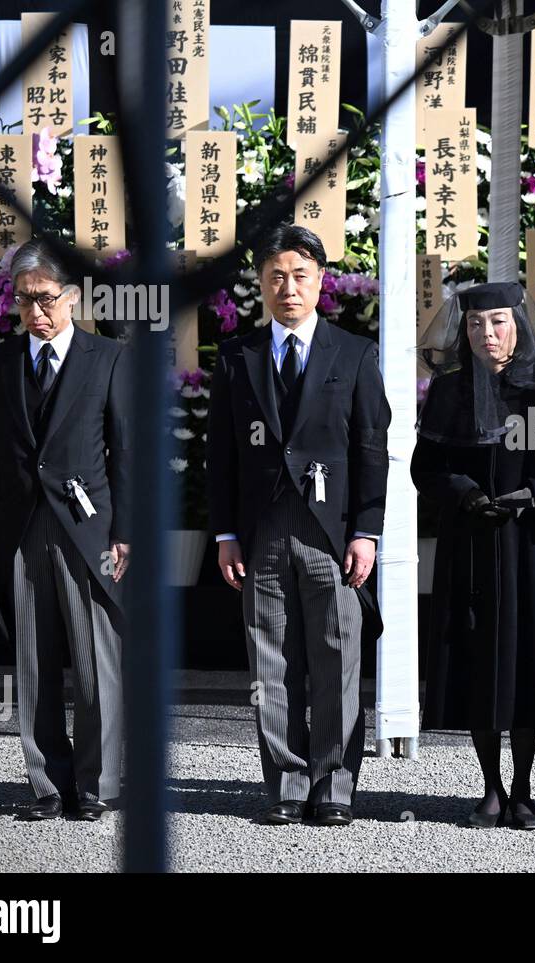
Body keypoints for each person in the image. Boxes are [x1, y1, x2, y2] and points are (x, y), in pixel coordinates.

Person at [206, 224, 391, 827]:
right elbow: (221, 455)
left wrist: (366, 530)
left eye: (301, 275)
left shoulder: (354, 353)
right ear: (262, 284)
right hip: (261, 530)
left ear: (321, 282)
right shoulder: (238, 355)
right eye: (277, 276)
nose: (289, 287)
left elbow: (370, 448)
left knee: (337, 655)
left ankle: (334, 784)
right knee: (271, 660)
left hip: (331, 532)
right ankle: (286, 782)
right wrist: (225, 533)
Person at [412, 281, 535, 830]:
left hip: (526, 545)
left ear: (518, 326)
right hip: (468, 544)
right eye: (474, 324)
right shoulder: (448, 392)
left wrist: (533, 495)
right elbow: (425, 468)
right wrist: (463, 491)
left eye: (498, 323)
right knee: (476, 655)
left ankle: (525, 788)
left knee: (527, 660)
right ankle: (490, 785)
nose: (487, 334)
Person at [0, 237, 130, 822]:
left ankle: (95, 784)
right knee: (32, 666)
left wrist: (126, 533)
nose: (35, 312)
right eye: (23, 301)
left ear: (72, 296)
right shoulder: (0, 362)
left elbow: (128, 454)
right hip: (20, 530)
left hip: (90, 531)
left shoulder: (108, 358)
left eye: (45, 299)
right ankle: (46, 783)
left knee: (95, 666)